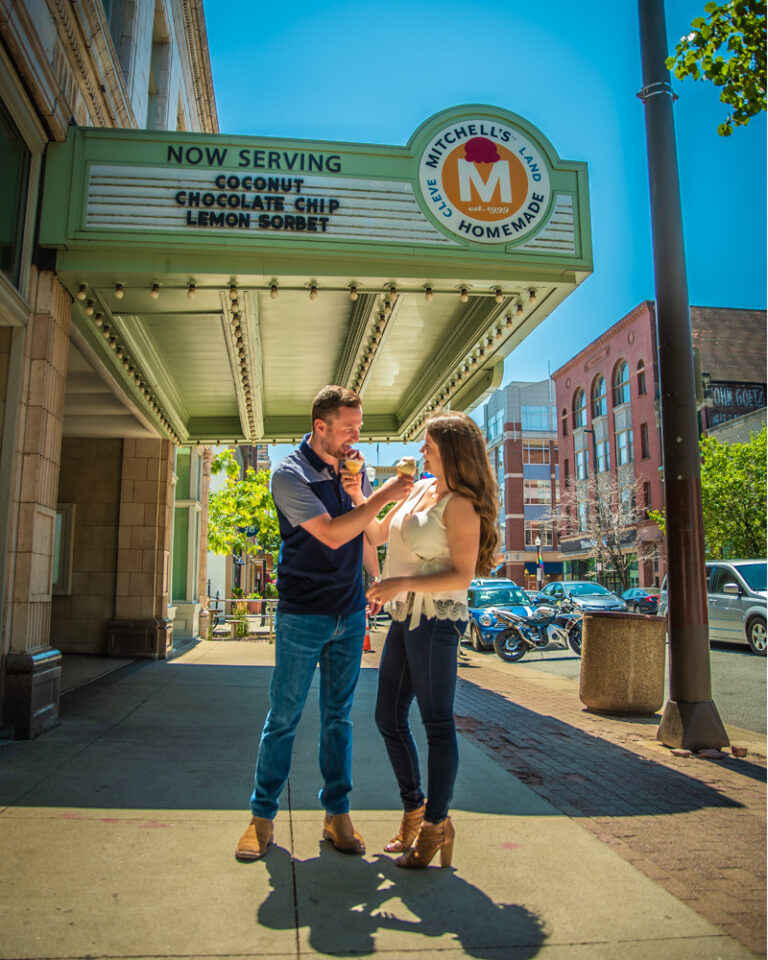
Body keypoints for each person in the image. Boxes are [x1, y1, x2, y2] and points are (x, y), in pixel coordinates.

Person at [236, 386, 414, 861]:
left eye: (358, 425)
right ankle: (262, 817)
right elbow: (335, 535)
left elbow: (365, 537)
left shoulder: (354, 469)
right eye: (349, 427)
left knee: (339, 719)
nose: (358, 435)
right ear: (321, 427)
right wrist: (385, 494)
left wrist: (374, 580)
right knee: (284, 718)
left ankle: (337, 814)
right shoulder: (289, 475)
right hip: (303, 614)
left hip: (350, 612)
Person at [364, 412, 499, 869]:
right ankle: (415, 809)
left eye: (429, 445)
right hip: (405, 616)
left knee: (437, 723)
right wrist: (357, 494)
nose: (422, 451)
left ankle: (436, 825)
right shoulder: (419, 488)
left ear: (452, 452)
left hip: (438, 619)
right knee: (387, 716)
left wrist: (399, 584)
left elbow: (462, 573)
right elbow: (377, 533)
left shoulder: (461, 504)